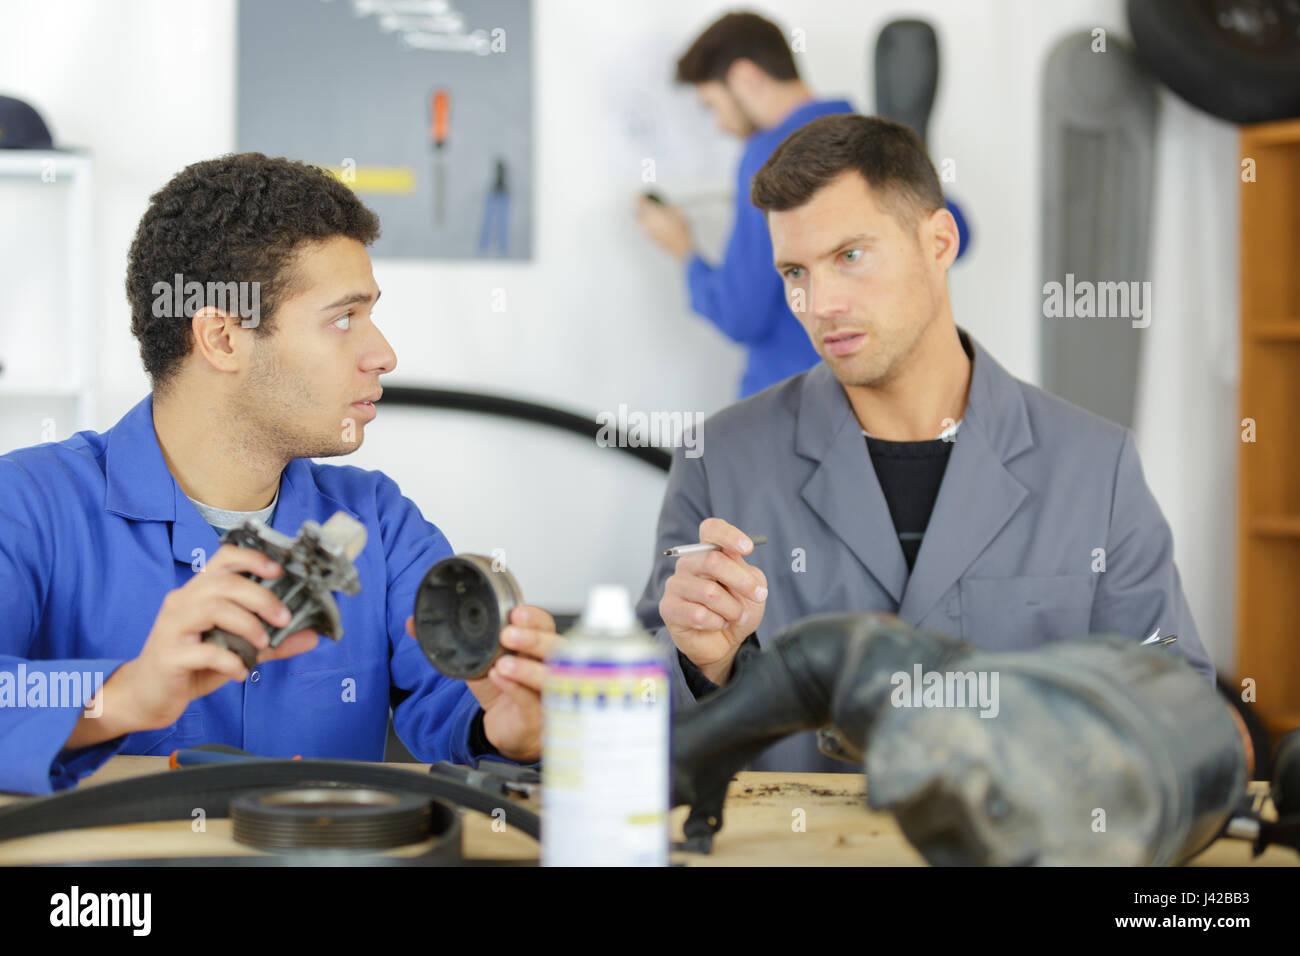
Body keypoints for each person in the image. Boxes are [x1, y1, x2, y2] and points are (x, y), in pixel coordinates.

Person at [635, 114, 1212, 773]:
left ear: (939, 242)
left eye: (849, 256)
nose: (819, 303)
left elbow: (1179, 703)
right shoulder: (720, 462)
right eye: (795, 271)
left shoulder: (1094, 465)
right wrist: (699, 664)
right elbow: (635, 724)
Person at [0, 153, 559, 794]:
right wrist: (122, 696)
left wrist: (510, 727)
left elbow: (456, 703)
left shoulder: (377, 521)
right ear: (223, 338)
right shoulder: (27, 505)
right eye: (344, 318)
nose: (384, 354)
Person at [635, 11, 967, 398]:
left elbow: (742, 315)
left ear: (745, 78)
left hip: (793, 409)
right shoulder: (869, 141)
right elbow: (960, 231)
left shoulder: (764, 156)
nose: (719, 125)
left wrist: (684, 251)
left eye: (711, 104)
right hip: (879, 407)